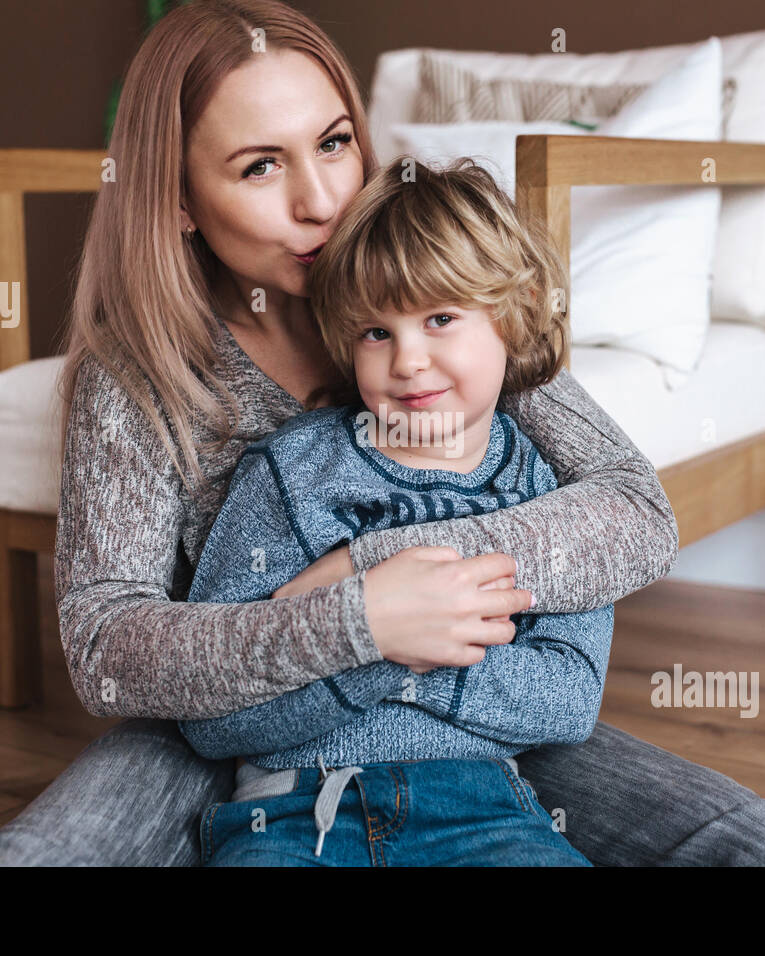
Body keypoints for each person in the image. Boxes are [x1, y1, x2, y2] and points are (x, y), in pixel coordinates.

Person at [0, 0, 765, 867]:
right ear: (177, 200)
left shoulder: (443, 312)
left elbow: (634, 512)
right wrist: (355, 621)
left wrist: (376, 574)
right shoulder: (139, 374)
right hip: (224, 727)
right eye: (260, 166)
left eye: (334, 143)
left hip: (465, 720)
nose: (322, 200)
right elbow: (109, 649)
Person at [179, 157, 611, 865]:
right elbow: (215, 717)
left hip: (487, 813)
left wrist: (404, 655)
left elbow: (567, 700)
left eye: (440, 318)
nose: (408, 361)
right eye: (376, 332)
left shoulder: (549, 494)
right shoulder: (291, 477)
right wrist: (377, 639)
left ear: (513, 311)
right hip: (292, 813)